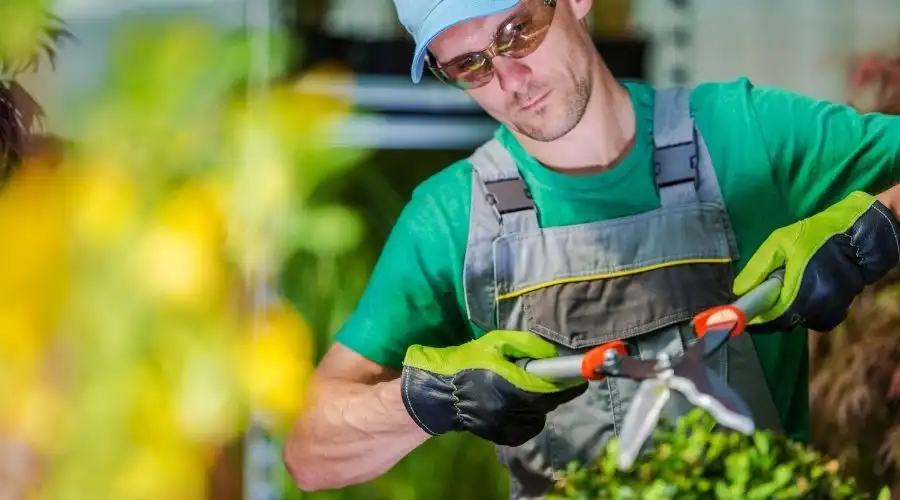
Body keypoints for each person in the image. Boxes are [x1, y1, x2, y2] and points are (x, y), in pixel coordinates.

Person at [283, 0, 900, 497]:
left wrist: (873, 230)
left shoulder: (744, 134)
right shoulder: (448, 221)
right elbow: (309, 454)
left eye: (517, 31)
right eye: (470, 65)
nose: (510, 81)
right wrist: (427, 399)